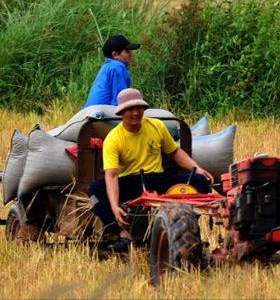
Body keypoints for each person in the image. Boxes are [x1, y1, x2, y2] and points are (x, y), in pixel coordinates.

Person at [87, 88, 215, 252]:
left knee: (200, 182)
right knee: (94, 191)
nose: (135, 113)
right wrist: (114, 206)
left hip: (156, 180)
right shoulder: (113, 139)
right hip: (131, 183)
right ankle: (122, 234)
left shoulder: (156, 126)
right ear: (121, 113)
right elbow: (111, 176)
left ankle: (185, 229)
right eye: (130, 109)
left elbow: (174, 152)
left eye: (139, 108)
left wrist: (197, 169)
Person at [84, 35, 140, 107]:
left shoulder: (107, 66)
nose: (131, 54)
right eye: (127, 51)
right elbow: (120, 99)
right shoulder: (117, 67)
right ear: (115, 54)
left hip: (89, 111)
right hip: (102, 114)